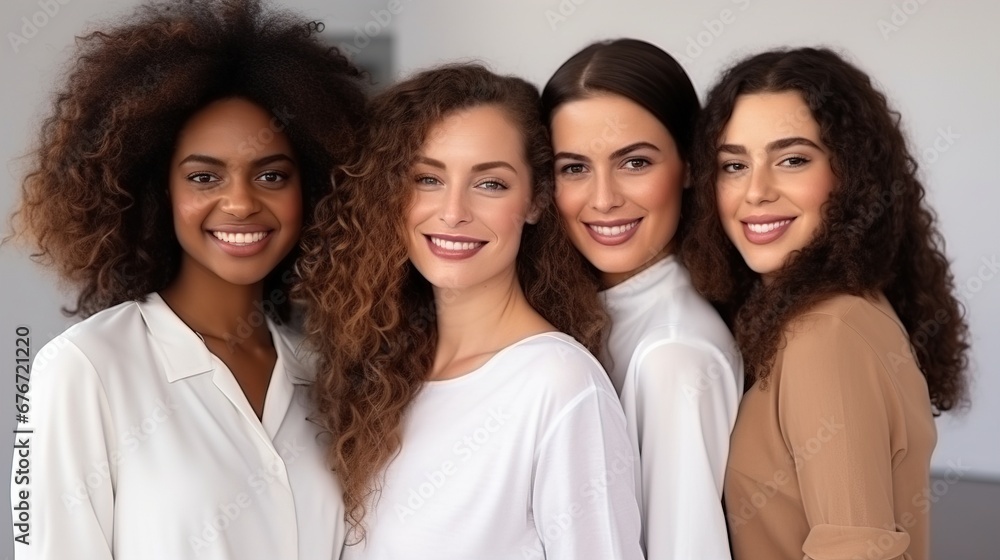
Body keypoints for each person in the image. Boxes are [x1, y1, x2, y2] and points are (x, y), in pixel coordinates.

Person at [9, 1, 367, 558]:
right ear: (159, 192)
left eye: (272, 175)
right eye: (204, 177)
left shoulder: (324, 377)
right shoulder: (87, 368)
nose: (241, 203)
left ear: (314, 190)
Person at [295, 63, 644, 560]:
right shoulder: (380, 375)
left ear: (536, 200)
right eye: (428, 179)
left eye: (490, 184)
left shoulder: (560, 386)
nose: (453, 211)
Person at [682, 47, 970, 560]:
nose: (756, 191)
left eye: (792, 160)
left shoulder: (825, 335)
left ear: (851, 175)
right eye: (734, 165)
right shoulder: (811, 313)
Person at [541, 38, 743, 559]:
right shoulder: (581, 312)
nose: (603, 198)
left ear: (691, 165)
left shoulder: (672, 357)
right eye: (574, 168)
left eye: (634, 163)